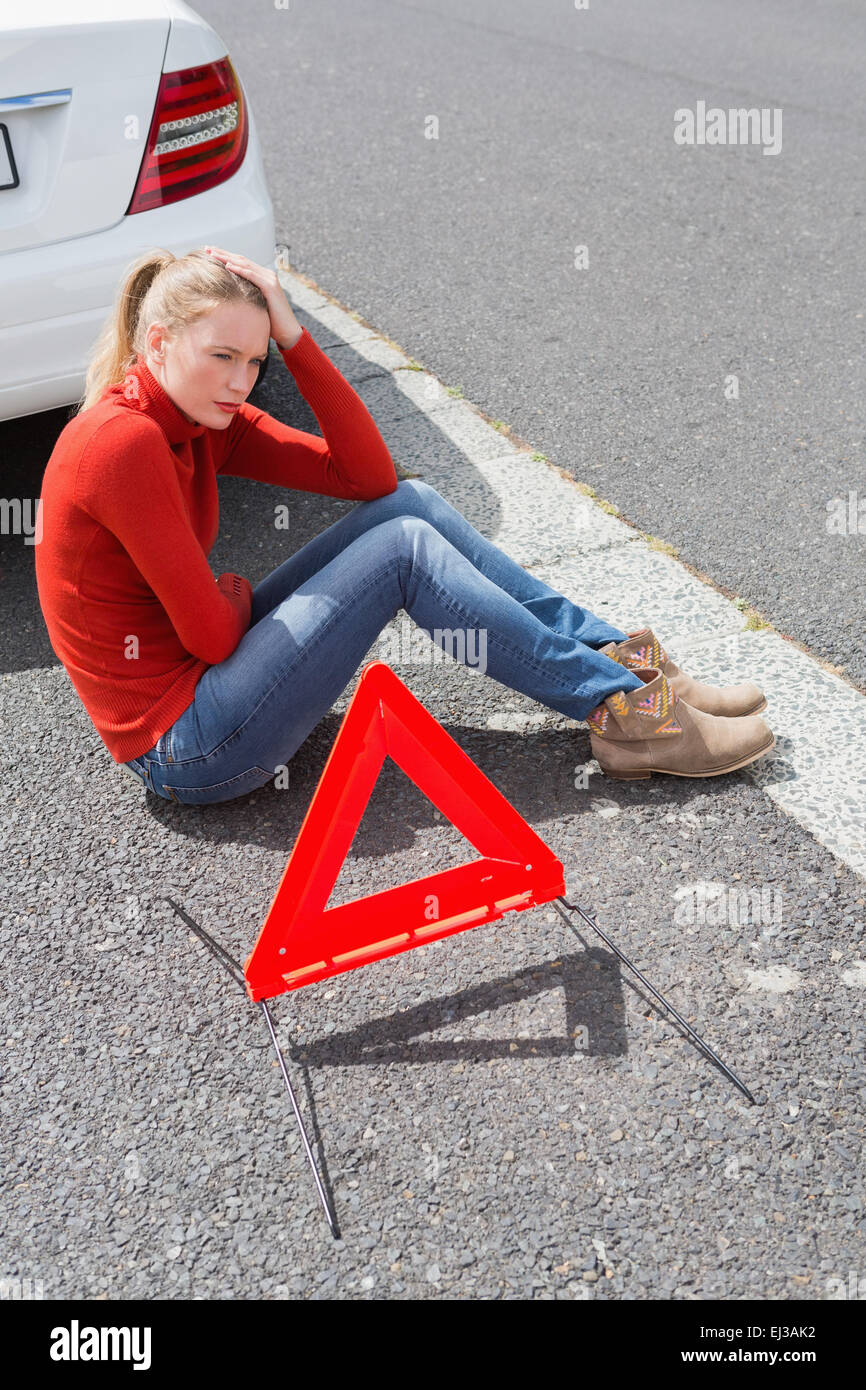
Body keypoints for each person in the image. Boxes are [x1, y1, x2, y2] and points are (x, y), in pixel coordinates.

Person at [34, 246, 774, 805]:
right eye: (220, 355)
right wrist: (229, 593)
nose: (239, 381)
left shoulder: (200, 420)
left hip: (218, 684)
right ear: (157, 344)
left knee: (408, 508)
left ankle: (628, 664)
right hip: (190, 747)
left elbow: (369, 479)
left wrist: (297, 338)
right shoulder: (120, 442)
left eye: (256, 361)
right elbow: (215, 635)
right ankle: (624, 715)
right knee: (402, 552)